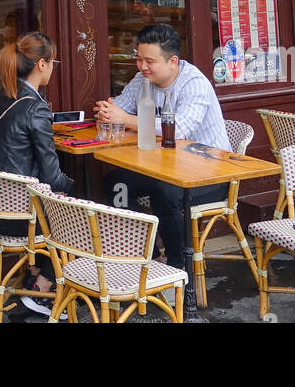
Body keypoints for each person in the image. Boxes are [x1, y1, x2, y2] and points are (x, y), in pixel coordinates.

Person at [95, 23, 228, 270]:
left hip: (210, 173)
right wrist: (108, 112)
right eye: (139, 59)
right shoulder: (141, 79)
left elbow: (178, 131)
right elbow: (120, 108)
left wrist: (124, 119)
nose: (142, 66)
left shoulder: (194, 83)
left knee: (165, 193)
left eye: (150, 61)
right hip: (164, 167)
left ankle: (179, 267)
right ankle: (151, 254)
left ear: (173, 62)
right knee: (116, 184)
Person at [0, 32, 74, 315]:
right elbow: (52, 178)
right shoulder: (36, 108)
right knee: (77, 206)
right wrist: (74, 185)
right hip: (19, 218)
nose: (54, 66)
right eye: (53, 60)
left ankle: (35, 270)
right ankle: (42, 287)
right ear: (42, 65)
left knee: (60, 201)